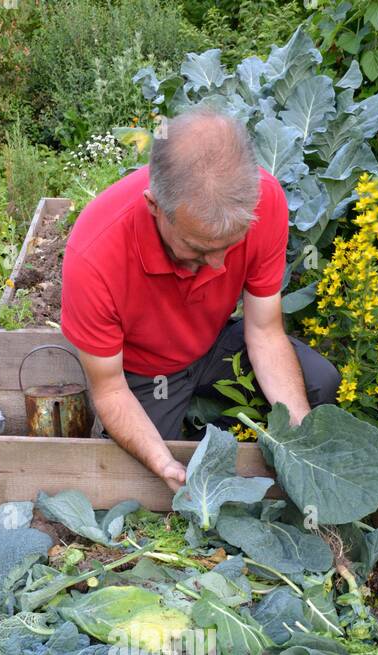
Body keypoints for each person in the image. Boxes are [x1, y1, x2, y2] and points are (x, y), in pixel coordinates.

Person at [60, 106, 340, 492]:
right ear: (155, 206)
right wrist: (162, 462)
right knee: (145, 488)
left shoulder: (266, 203)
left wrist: (300, 440)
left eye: (231, 246)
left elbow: (264, 331)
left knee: (319, 384)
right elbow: (109, 389)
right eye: (197, 250)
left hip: (212, 344)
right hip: (144, 373)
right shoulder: (93, 254)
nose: (220, 265)